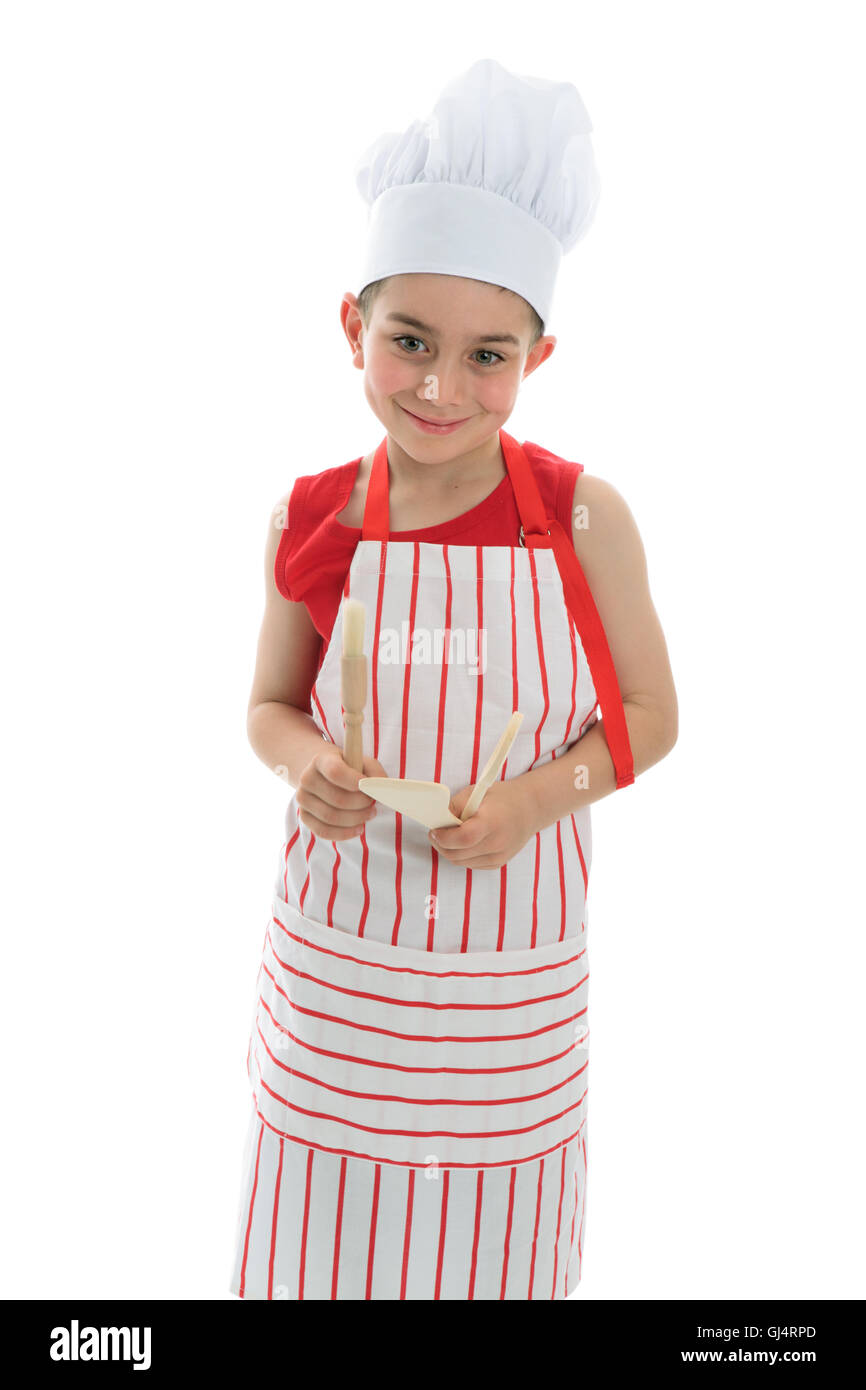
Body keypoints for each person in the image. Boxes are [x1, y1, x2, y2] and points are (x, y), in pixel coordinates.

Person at [228, 58, 678, 1301]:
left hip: (505, 995)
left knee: (497, 1250)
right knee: (314, 1251)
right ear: (350, 329)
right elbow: (269, 704)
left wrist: (536, 800)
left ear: (539, 353)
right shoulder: (308, 518)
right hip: (340, 976)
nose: (440, 386)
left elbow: (650, 714)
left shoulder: (580, 519)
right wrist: (308, 763)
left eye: (487, 355)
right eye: (408, 341)